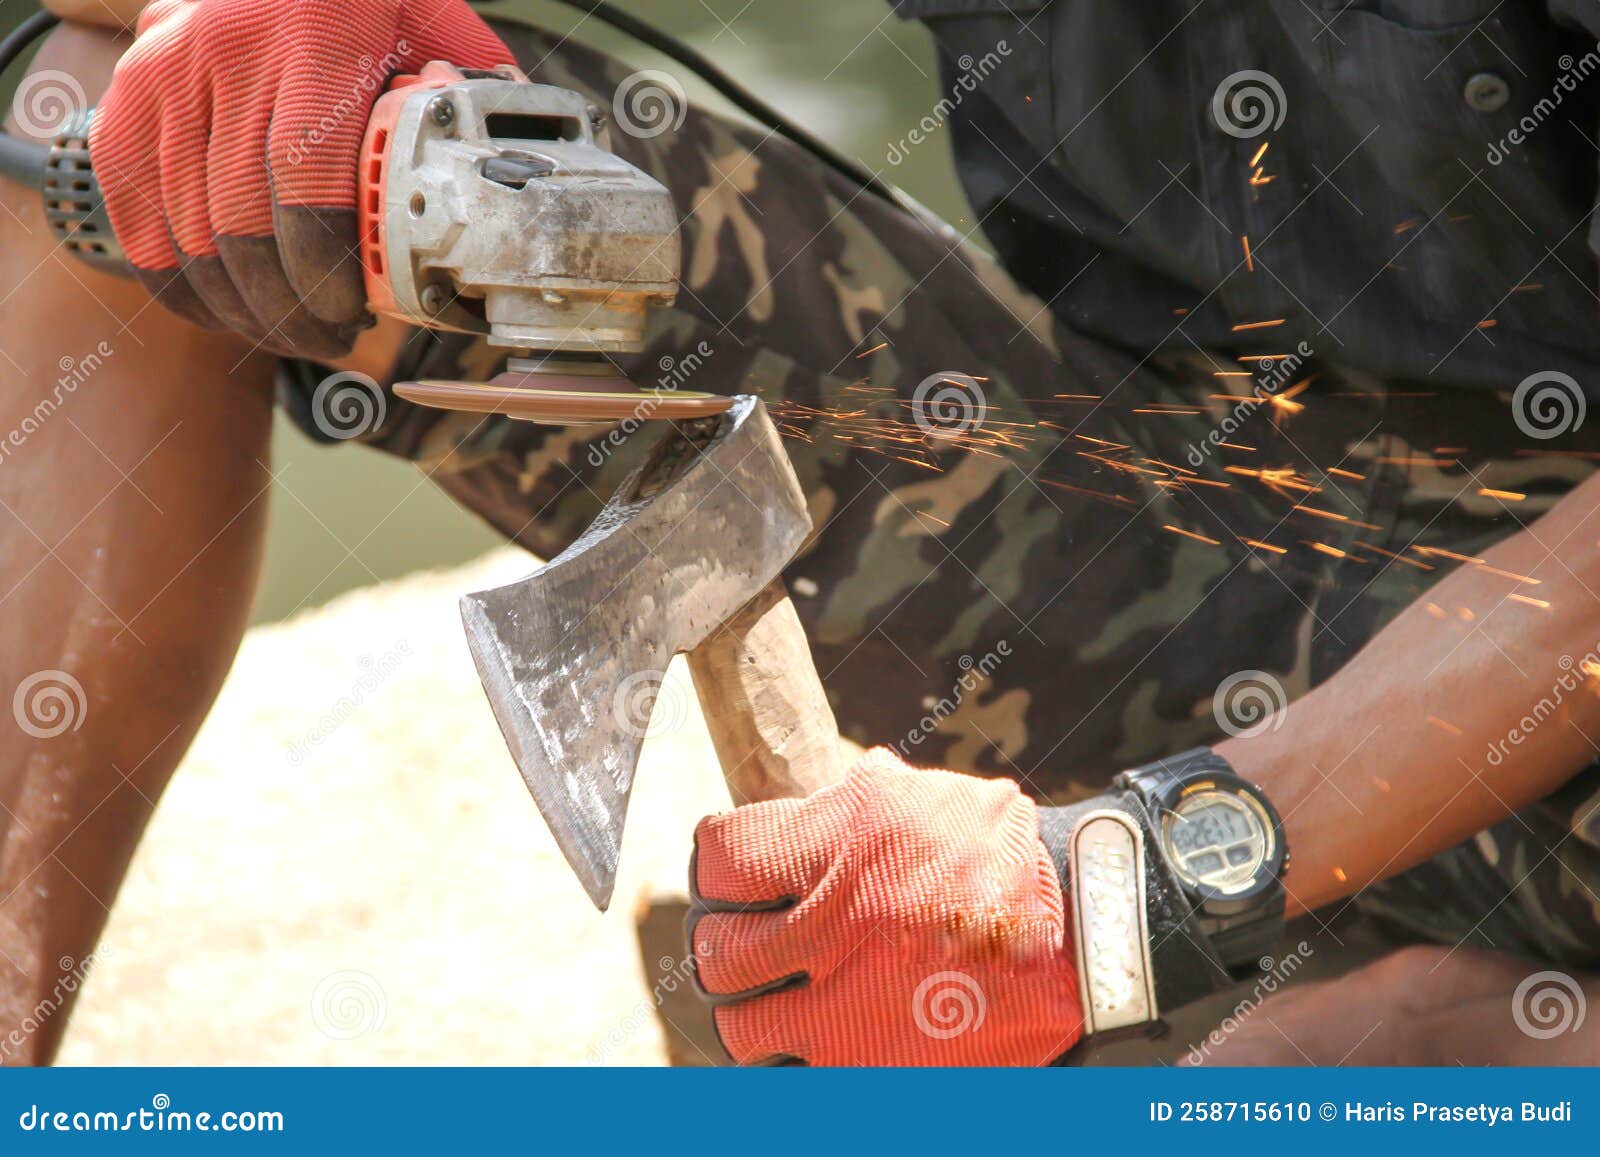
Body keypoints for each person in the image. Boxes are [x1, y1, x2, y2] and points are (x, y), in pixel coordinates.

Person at [2, 0, 1598, 1065]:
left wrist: (1113, 889)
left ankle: (1453, 1010)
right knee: (121, 128)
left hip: (1561, 643)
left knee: (1455, 1035)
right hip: (1198, 499)